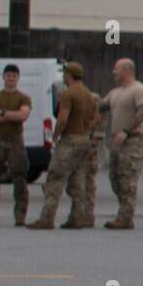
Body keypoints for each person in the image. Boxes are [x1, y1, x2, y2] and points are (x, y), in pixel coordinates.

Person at [27, 62, 97, 230]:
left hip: (70, 140)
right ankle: (77, 217)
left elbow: (63, 118)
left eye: (65, 74)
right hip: (84, 139)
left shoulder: (68, 94)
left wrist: (56, 134)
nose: (63, 77)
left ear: (69, 75)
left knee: (55, 178)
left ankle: (47, 218)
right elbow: (96, 118)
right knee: (78, 179)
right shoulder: (88, 94)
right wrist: (86, 130)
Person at [97, 57, 143, 230]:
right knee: (115, 178)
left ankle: (126, 217)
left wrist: (126, 131)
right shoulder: (115, 92)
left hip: (133, 140)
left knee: (128, 178)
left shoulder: (139, 90)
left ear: (127, 70)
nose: (114, 72)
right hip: (117, 141)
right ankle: (123, 211)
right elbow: (100, 106)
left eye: (117, 69)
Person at [0, 64, 32, 227]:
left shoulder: (24, 98)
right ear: (3, 77)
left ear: (18, 78)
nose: (11, 78)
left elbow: (23, 115)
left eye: (14, 76)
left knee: (19, 177)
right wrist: (11, 116)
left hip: (15, 140)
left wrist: (2, 113)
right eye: (8, 75)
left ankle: (20, 215)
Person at [64, 88, 104, 229]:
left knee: (87, 185)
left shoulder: (96, 116)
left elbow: (98, 135)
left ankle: (87, 215)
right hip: (77, 151)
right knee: (75, 185)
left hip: (88, 154)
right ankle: (78, 214)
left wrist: (91, 149)